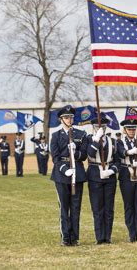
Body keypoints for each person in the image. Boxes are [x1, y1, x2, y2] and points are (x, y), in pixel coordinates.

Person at [50, 105, 88, 246]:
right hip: (62, 174)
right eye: (66, 117)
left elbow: (83, 156)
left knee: (76, 207)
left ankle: (74, 237)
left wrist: (76, 152)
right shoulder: (55, 136)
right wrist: (64, 169)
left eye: (71, 117)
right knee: (64, 208)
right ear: (61, 119)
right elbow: (55, 157)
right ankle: (65, 237)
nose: (69, 119)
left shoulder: (80, 134)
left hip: (77, 173)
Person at [86, 117, 119, 245]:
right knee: (97, 208)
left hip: (109, 177)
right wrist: (96, 140)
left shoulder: (113, 141)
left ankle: (108, 236)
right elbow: (90, 154)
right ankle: (99, 237)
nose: (101, 129)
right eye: (98, 127)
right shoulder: (89, 139)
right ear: (93, 127)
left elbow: (117, 161)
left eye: (103, 127)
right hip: (94, 176)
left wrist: (112, 171)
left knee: (109, 208)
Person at [117, 118, 137, 242]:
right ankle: (131, 233)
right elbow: (120, 153)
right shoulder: (120, 142)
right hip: (126, 176)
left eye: (133, 129)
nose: (131, 131)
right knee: (129, 206)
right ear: (124, 130)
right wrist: (129, 152)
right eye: (129, 129)